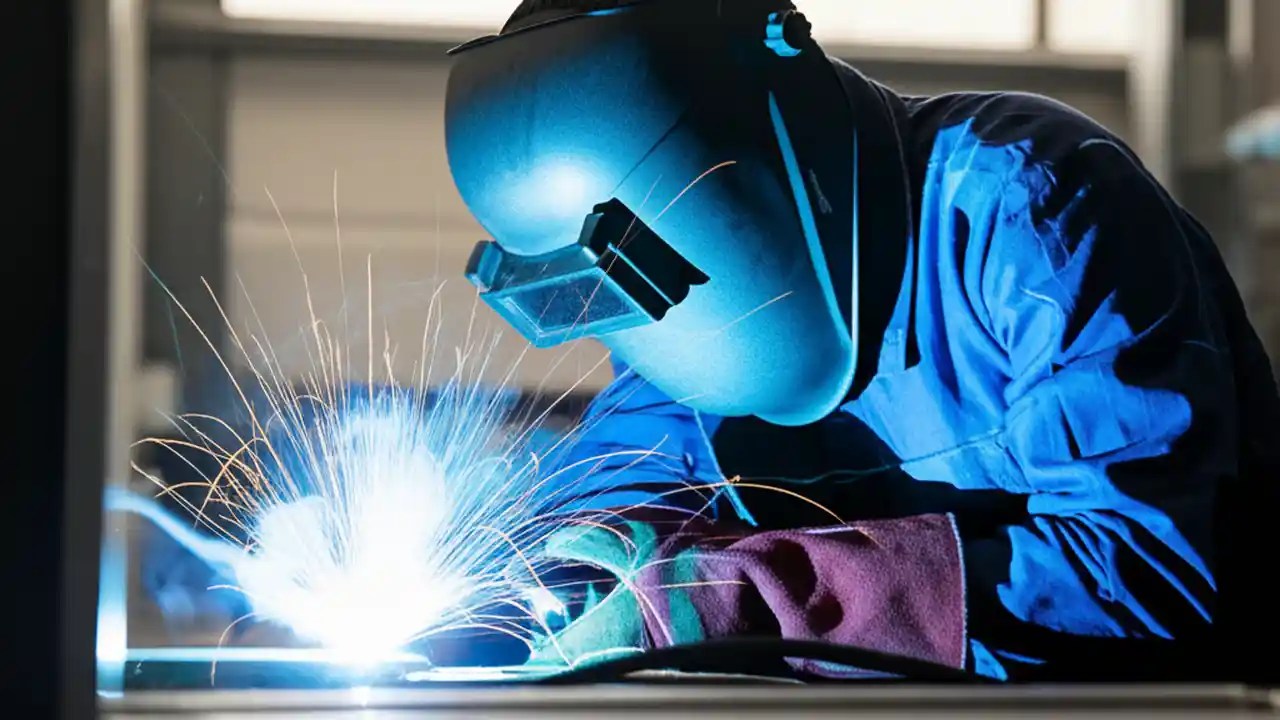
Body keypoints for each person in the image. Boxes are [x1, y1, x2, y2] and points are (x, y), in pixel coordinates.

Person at [445, 0, 1280, 682]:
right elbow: (627, 483)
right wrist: (561, 579)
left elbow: (1149, 571)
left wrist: (739, 599)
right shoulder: (680, 304)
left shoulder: (1025, 204)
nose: (647, 319)